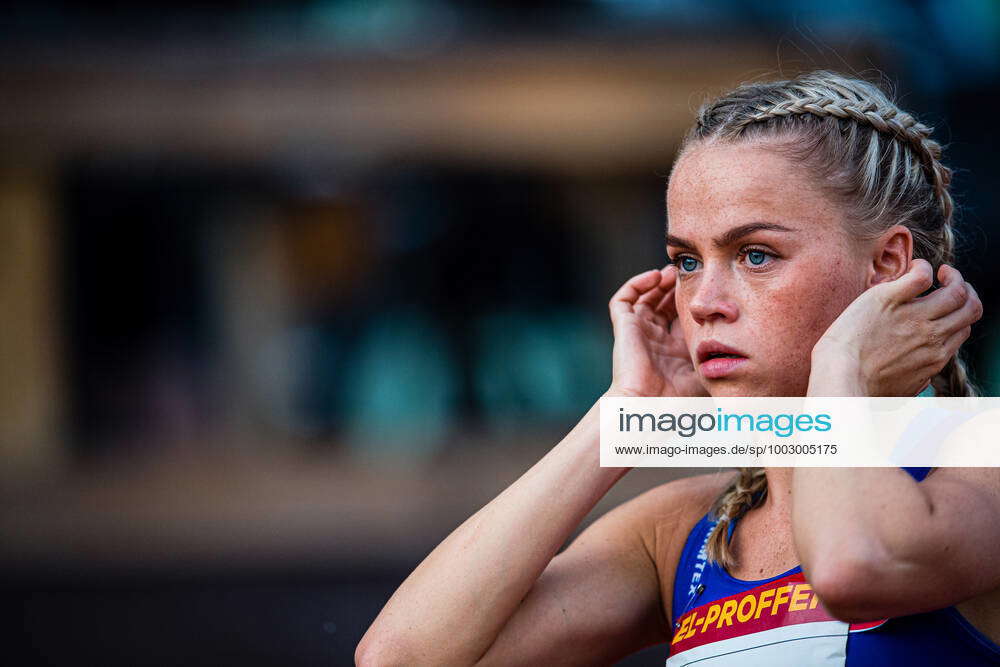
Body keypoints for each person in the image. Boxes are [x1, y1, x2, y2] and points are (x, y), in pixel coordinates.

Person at [355, 70, 997, 666]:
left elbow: (851, 568)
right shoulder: (682, 531)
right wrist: (624, 417)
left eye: (755, 254)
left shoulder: (979, 459)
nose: (704, 303)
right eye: (687, 262)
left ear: (887, 267)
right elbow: (399, 658)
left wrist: (842, 365)